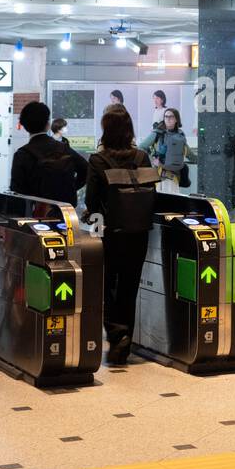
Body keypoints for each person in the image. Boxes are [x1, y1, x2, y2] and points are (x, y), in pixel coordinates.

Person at [85, 105, 157, 365]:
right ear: (129, 129)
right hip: (138, 232)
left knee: (107, 287)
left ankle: (116, 336)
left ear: (106, 129)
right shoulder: (142, 158)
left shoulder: (97, 160)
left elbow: (92, 202)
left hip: (109, 233)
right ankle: (124, 341)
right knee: (129, 287)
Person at [10, 101, 88, 206]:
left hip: (35, 213)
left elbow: (17, 192)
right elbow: (86, 169)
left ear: (25, 126)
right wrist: (71, 188)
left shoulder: (22, 155)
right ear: (48, 125)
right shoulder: (64, 148)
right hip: (64, 211)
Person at [139, 107, 188, 193]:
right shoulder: (158, 133)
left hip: (173, 177)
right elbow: (141, 147)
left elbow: (188, 153)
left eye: (171, 117)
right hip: (159, 176)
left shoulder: (180, 136)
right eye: (166, 116)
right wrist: (152, 159)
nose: (168, 119)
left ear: (176, 119)